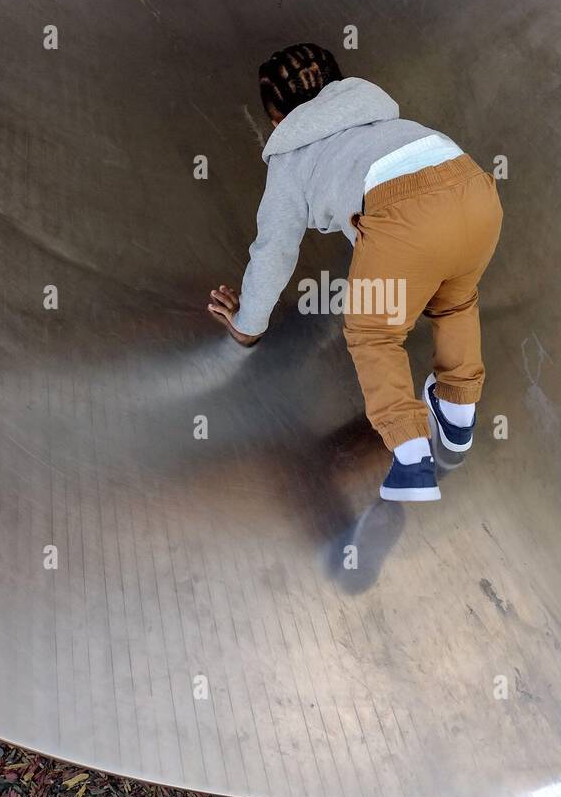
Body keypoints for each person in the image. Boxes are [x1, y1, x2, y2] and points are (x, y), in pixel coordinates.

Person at [208, 44, 502, 501]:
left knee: (374, 335)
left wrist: (248, 326)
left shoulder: (289, 161)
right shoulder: (386, 119)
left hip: (402, 216)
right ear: (342, 86)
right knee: (455, 302)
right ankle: (458, 414)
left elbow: (274, 253)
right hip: (473, 188)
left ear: (277, 121)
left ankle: (410, 456)